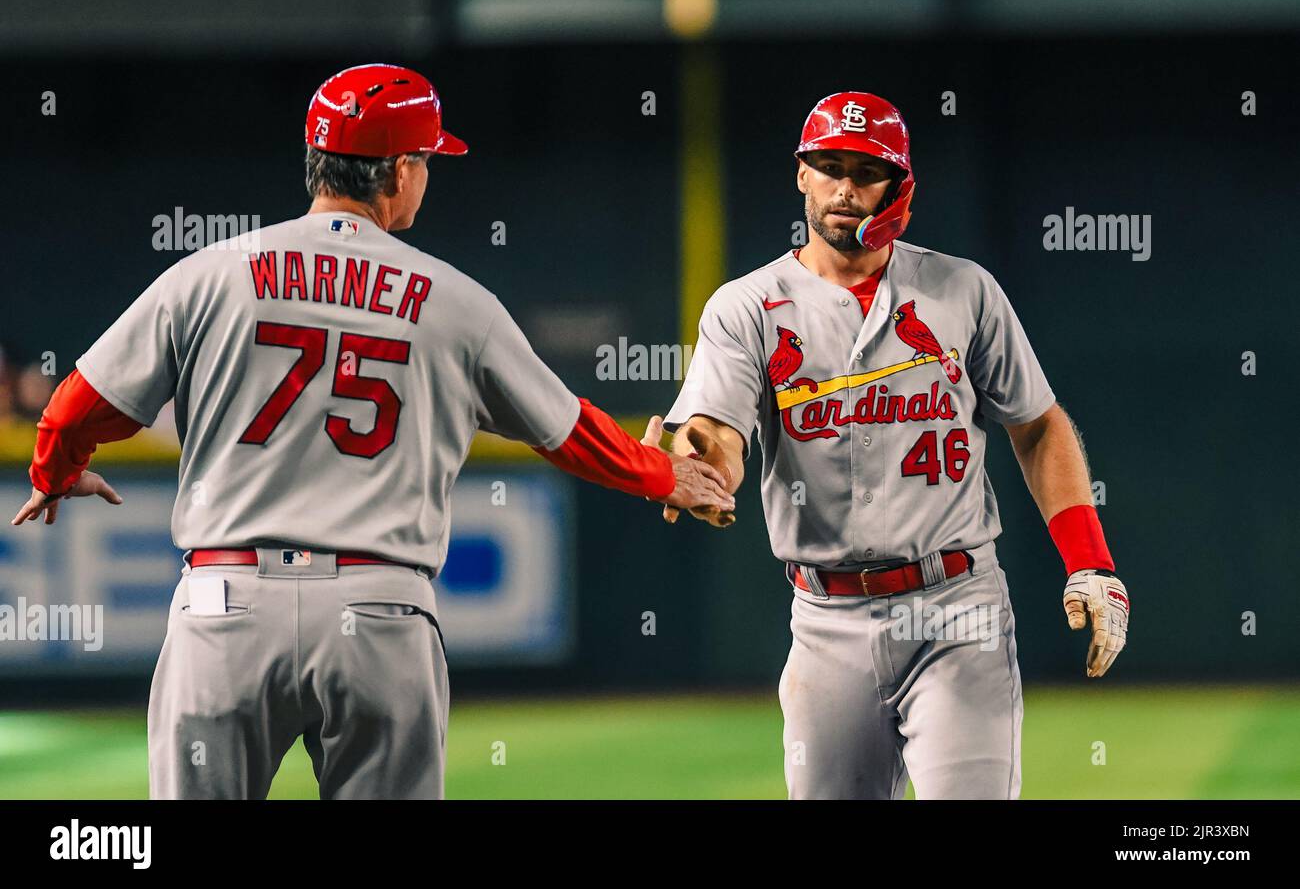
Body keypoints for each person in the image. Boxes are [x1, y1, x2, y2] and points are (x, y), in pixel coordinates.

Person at [12, 63, 734, 800]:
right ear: (398, 172)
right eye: (424, 160)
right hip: (379, 609)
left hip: (223, 606)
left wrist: (54, 471)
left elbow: (76, 407)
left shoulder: (210, 272)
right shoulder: (458, 302)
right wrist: (660, 472)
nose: (426, 175)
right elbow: (566, 430)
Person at [658, 91, 1129, 799]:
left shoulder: (962, 289)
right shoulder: (746, 306)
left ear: (899, 184)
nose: (845, 187)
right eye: (828, 165)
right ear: (801, 175)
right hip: (826, 620)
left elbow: (1038, 425)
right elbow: (718, 433)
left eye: (866, 170)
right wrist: (696, 463)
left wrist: (1090, 562)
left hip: (957, 606)